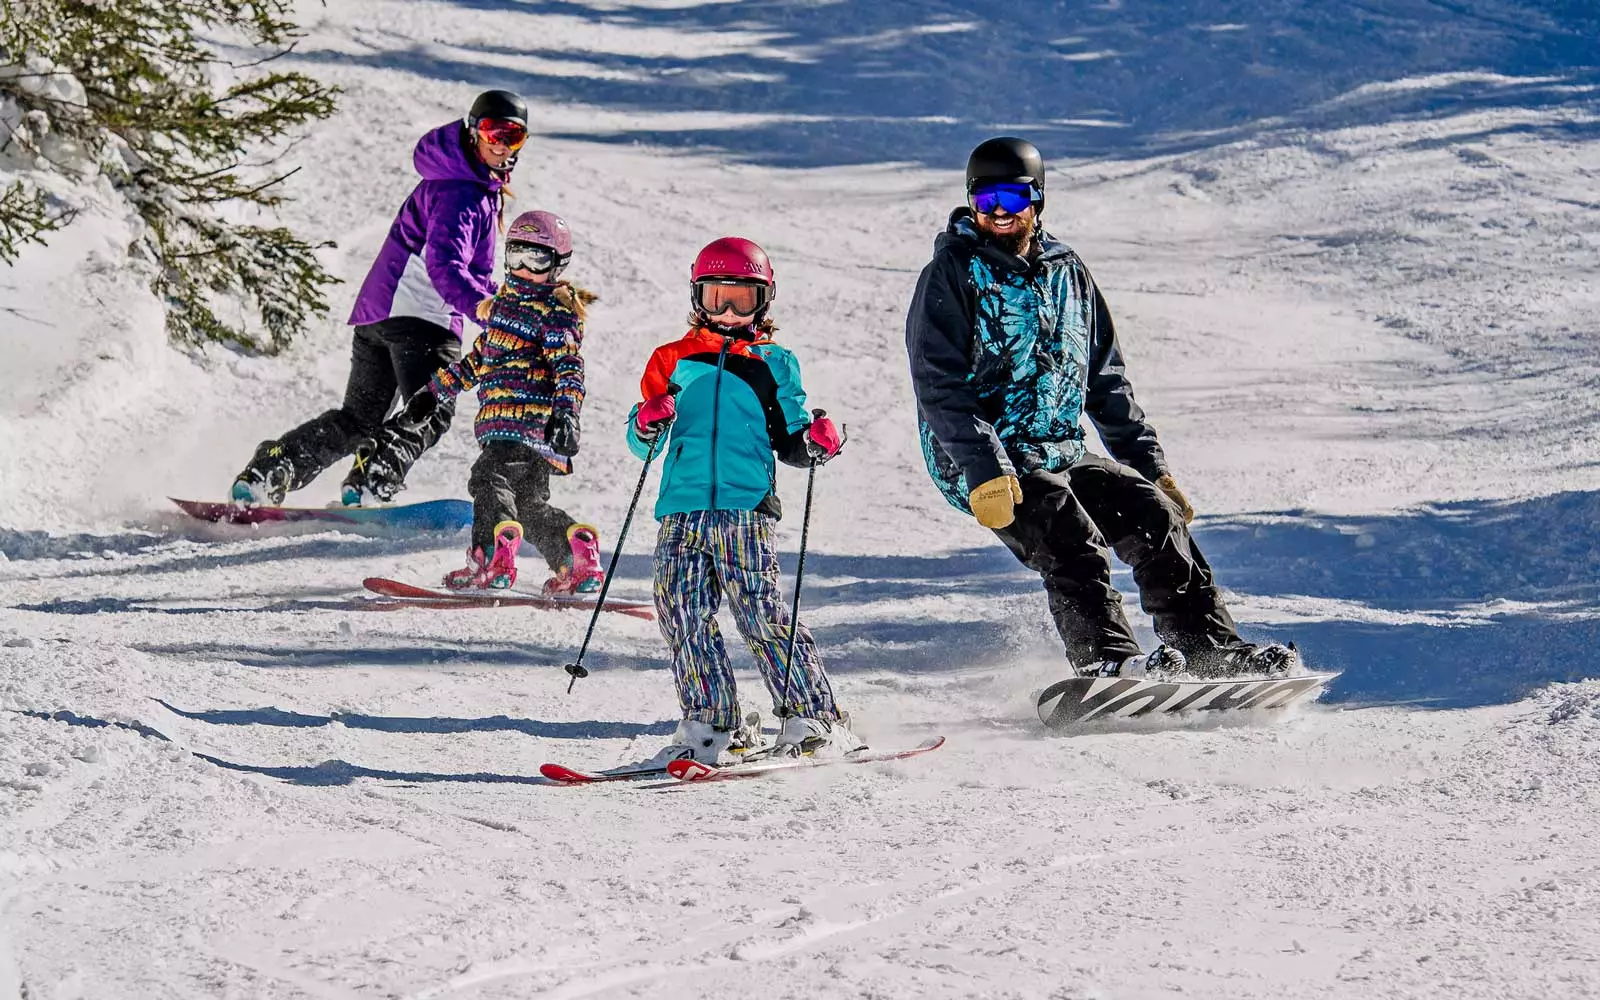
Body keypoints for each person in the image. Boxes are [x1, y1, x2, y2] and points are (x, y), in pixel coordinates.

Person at [905, 136, 1298, 680]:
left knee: (1153, 516)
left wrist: (1151, 467)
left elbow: (1104, 379)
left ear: (1037, 201)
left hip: (1061, 450)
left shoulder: (1068, 270)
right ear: (972, 201)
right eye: (986, 199)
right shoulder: (952, 275)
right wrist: (983, 467)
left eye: (1013, 199)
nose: (998, 213)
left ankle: (1212, 649)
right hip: (985, 460)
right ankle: (1107, 659)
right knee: (1067, 533)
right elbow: (939, 385)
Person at [231, 90, 529, 506]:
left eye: (512, 136)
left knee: (358, 419)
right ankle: (375, 472)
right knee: (432, 409)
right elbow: (445, 266)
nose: (500, 143)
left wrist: (505, 304)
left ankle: (274, 467)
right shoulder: (463, 191)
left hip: (381, 312)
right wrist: (487, 312)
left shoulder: (459, 182)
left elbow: (468, 272)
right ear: (472, 131)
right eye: (492, 131)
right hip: (421, 318)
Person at [625, 237, 857, 764]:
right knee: (680, 611)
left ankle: (812, 716)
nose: (728, 312)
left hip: (744, 509)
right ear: (697, 296)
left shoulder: (774, 363)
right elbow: (642, 440)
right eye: (716, 298)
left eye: (742, 299)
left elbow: (792, 438)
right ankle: (710, 722)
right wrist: (645, 421)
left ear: (764, 300)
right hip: (679, 510)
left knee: (759, 611)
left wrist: (817, 441)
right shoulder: (671, 359)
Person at [367, 210, 605, 594]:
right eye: (517, 257)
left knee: (488, 479)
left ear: (558, 266)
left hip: (521, 425)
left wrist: (567, 415)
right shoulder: (501, 311)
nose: (526, 269)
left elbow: (569, 369)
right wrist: (431, 395)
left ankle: (490, 558)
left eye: (538, 260)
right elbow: (476, 361)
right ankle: (575, 557)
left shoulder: (556, 315)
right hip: (531, 437)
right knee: (529, 508)